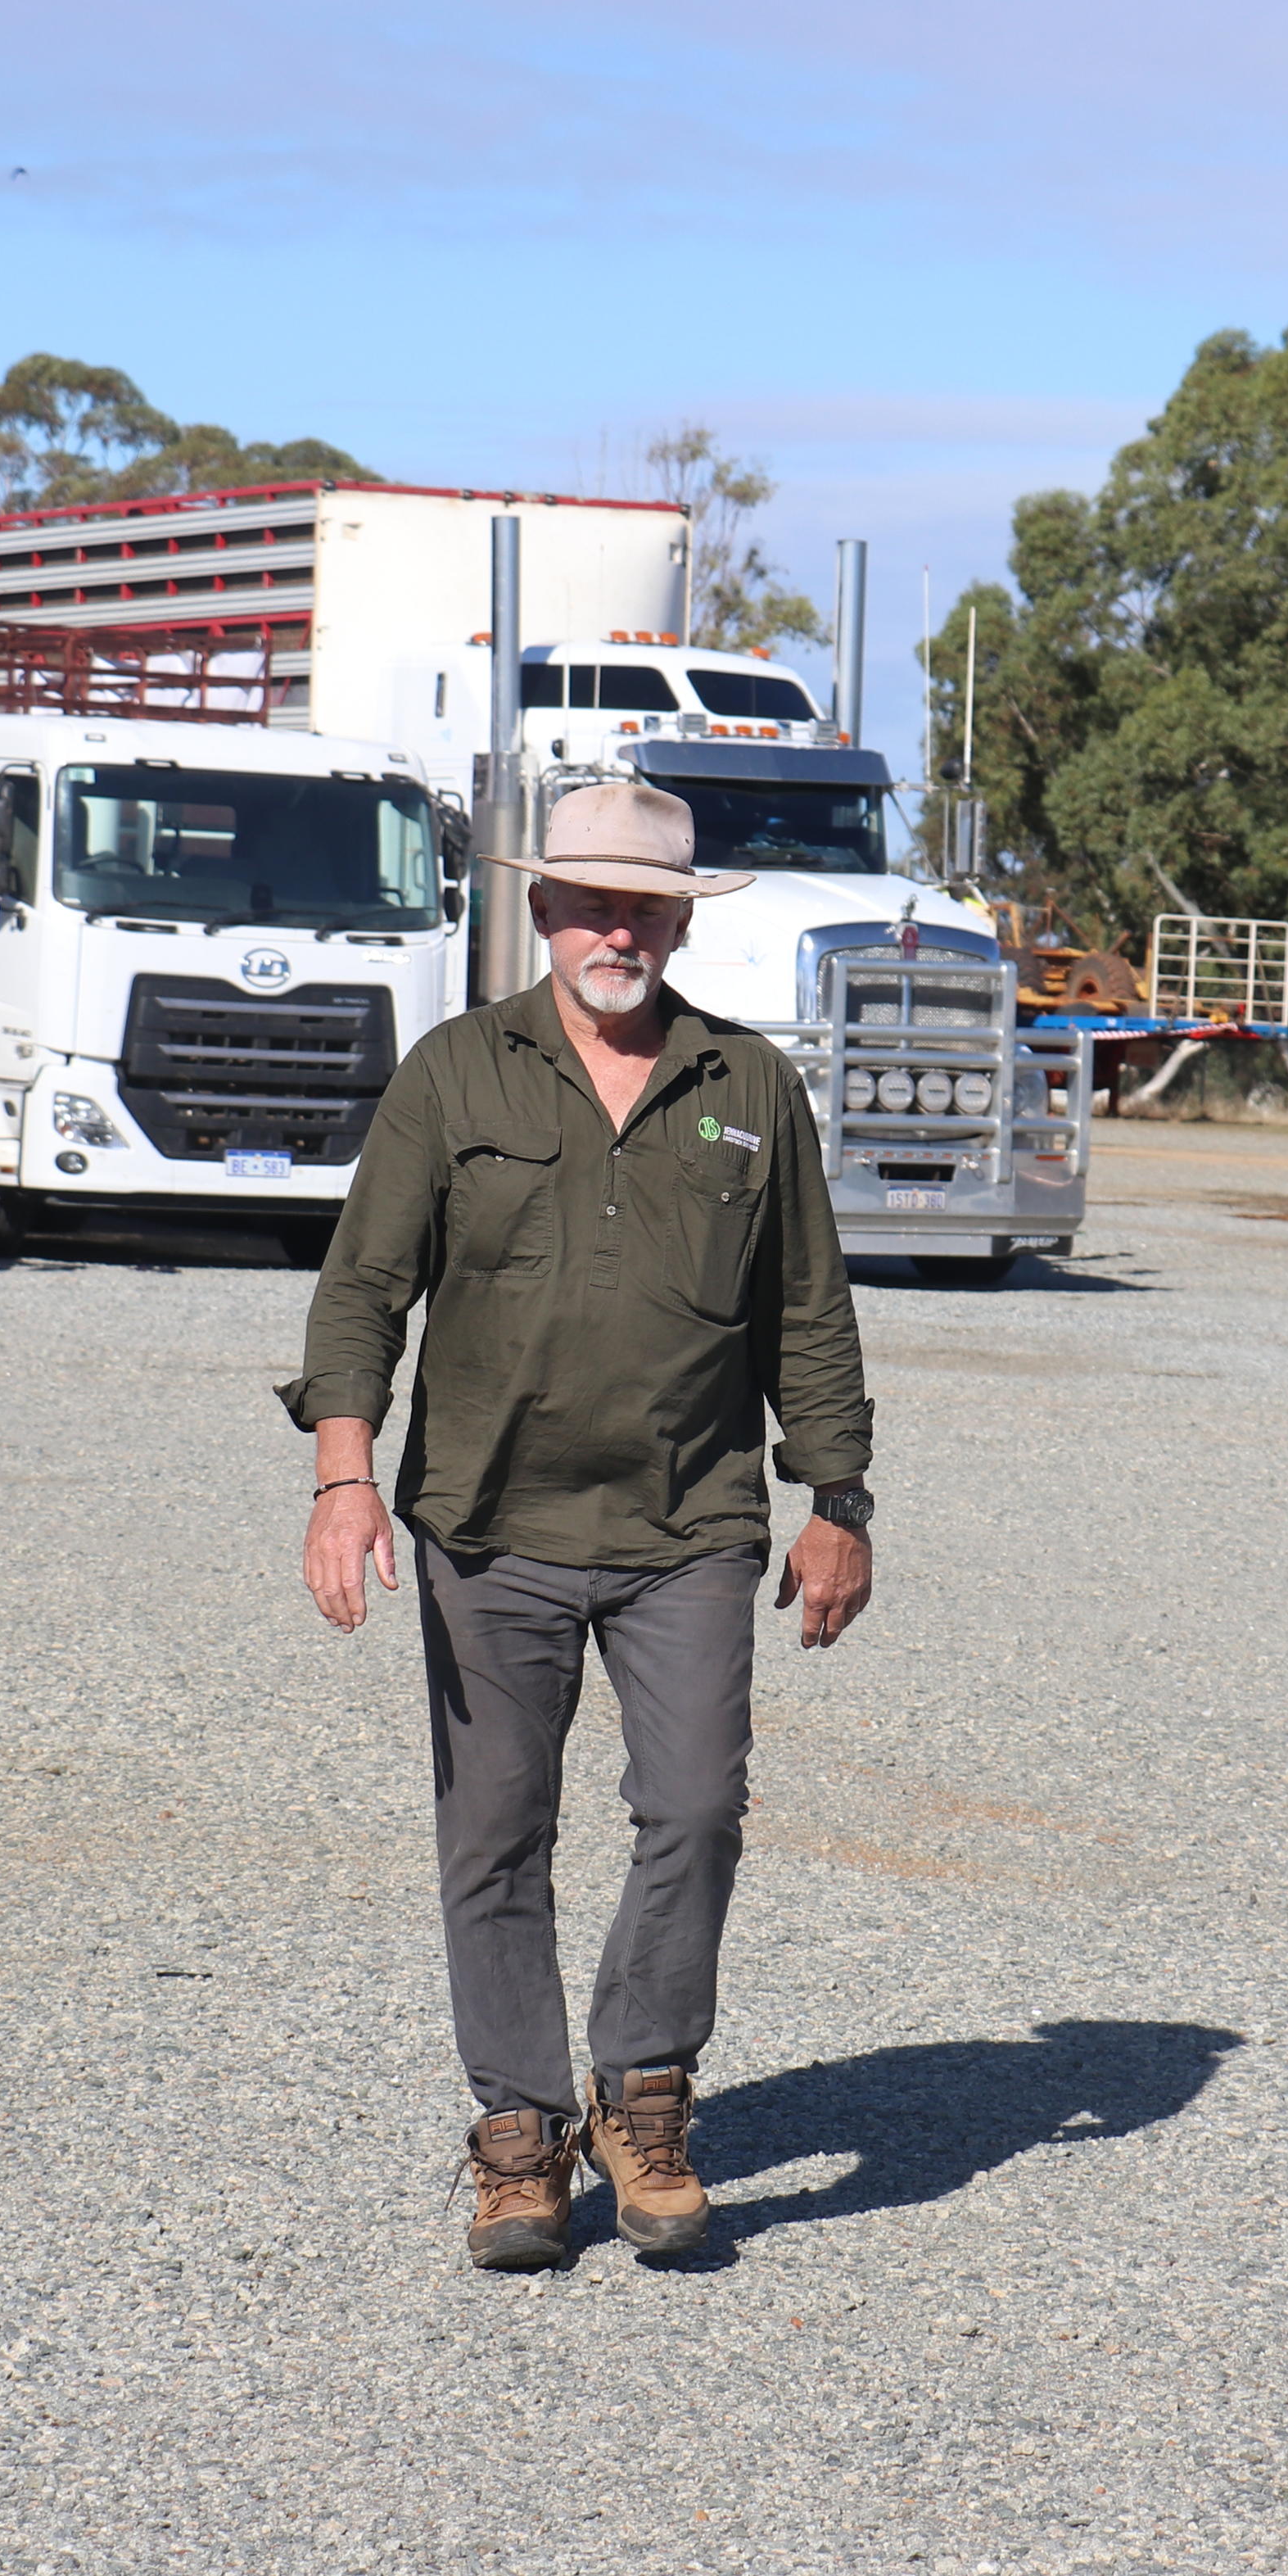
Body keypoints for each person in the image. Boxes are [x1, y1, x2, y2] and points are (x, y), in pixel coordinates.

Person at [282, 781, 877, 2270]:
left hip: (691, 1523)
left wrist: (838, 1501)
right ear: (541, 908)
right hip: (489, 1523)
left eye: (647, 907)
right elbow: (364, 1289)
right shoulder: (455, 1073)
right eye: (593, 903)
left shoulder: (750, 1085)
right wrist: (345, 1479)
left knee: (697, 1808)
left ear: (682, 922)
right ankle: (519, 2130)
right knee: (495, 1830)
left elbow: (808, 1308)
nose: (619, 931)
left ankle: (644, 2090)